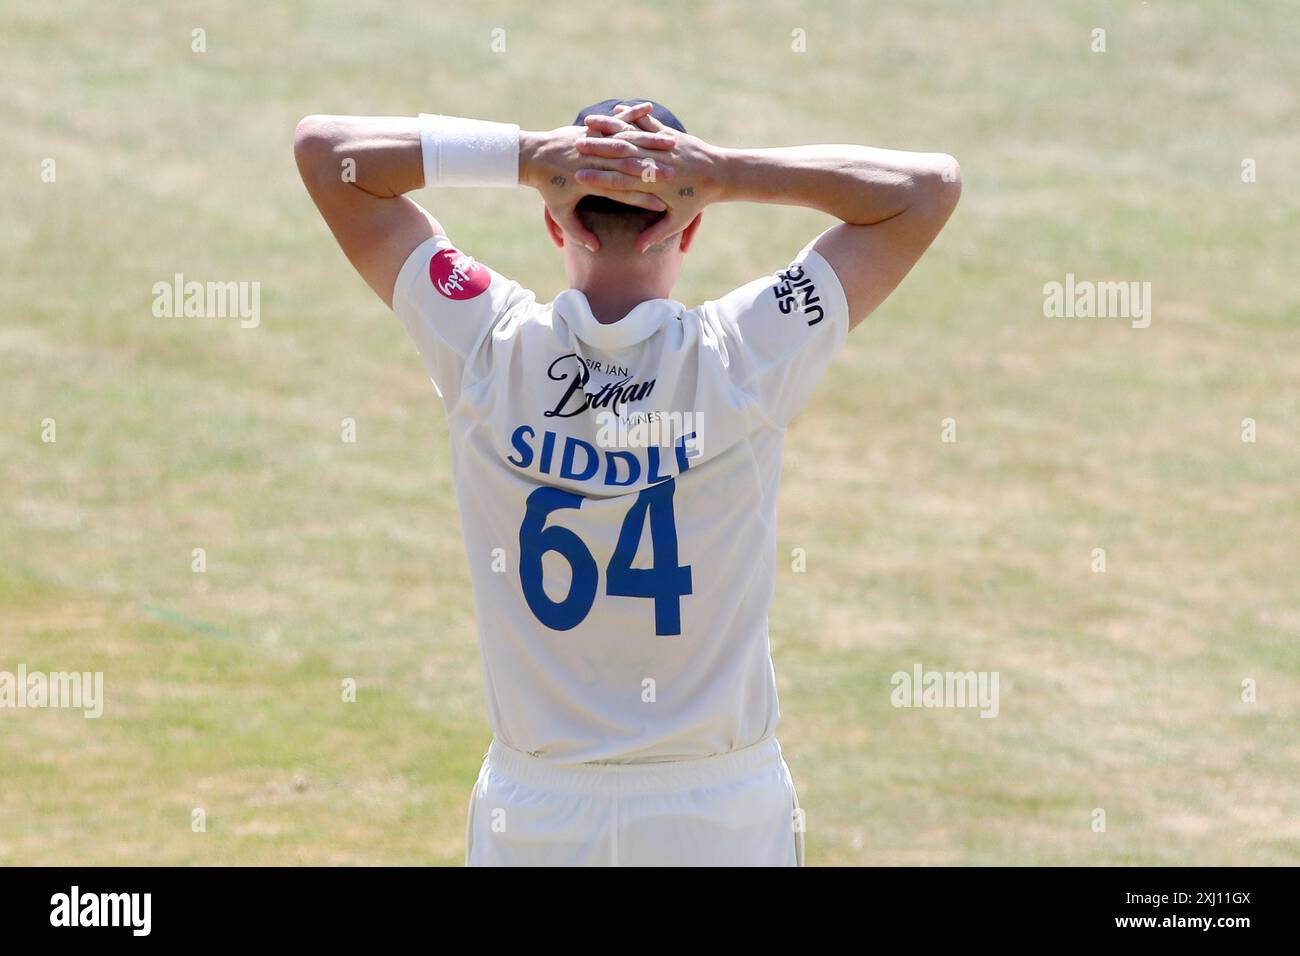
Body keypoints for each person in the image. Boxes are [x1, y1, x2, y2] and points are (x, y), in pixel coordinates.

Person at [294, 98, 960, 866]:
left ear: (554, 221)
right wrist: (729, 172)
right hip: (718, 816)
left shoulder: (484, 343)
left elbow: (326, 153)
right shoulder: (746, 353)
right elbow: (926, 188)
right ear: (691, 223)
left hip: (537, 814)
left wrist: (528, 156)